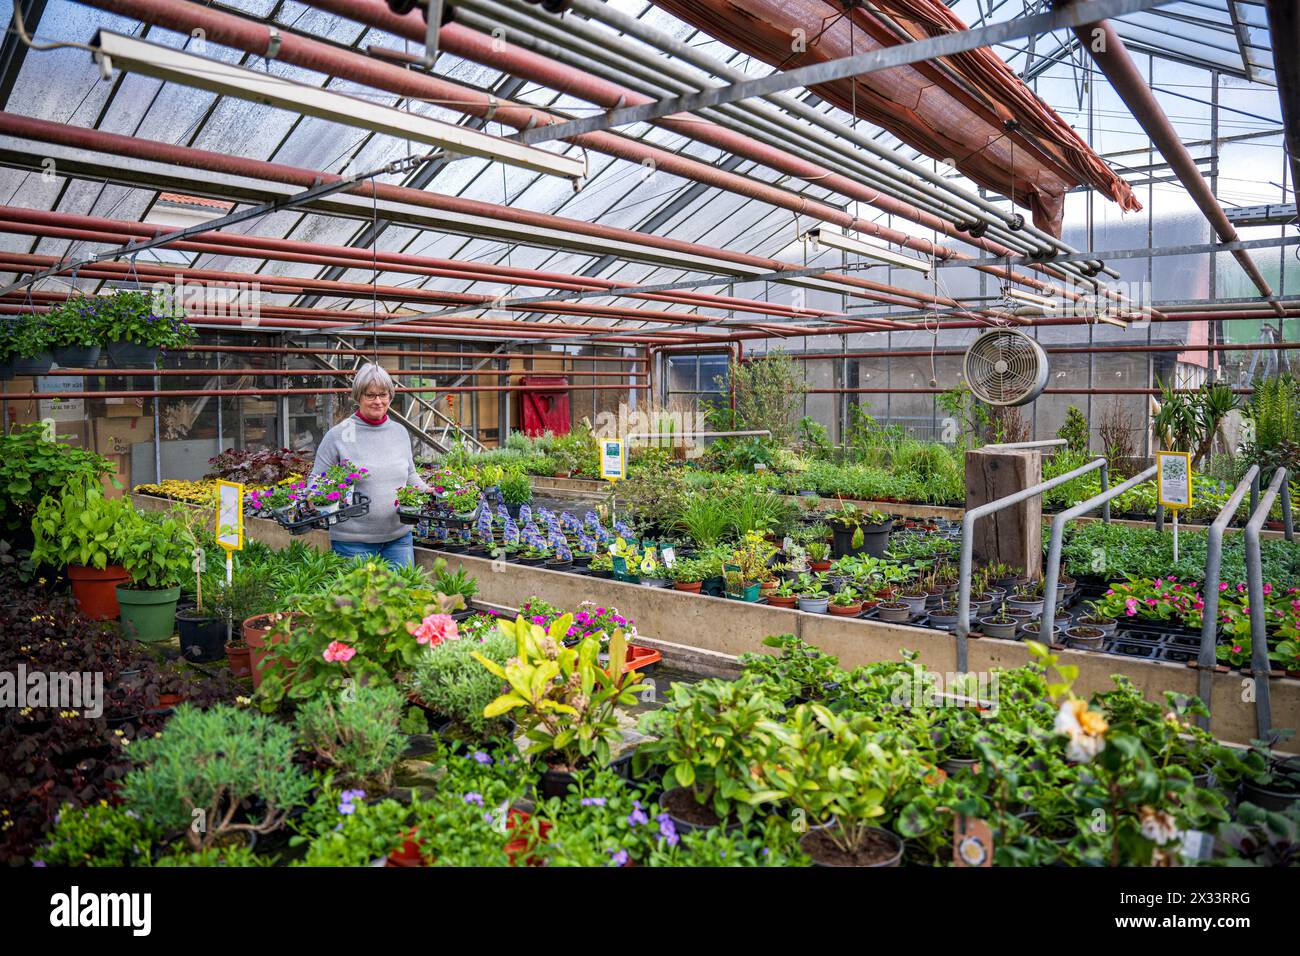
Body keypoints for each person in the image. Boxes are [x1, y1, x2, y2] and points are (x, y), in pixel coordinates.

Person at [311, 363, 429, 567]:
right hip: (353, 543)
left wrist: (429, 491)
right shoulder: (338, 435)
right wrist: (316, 497)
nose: (378, 401)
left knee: (402, 597)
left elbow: (409, 475)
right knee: (361, 599)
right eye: (370, 395)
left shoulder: (399, 432)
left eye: (383, 395)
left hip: (399, 539)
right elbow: (316, 480)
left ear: (391, 396)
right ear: (358, 397)